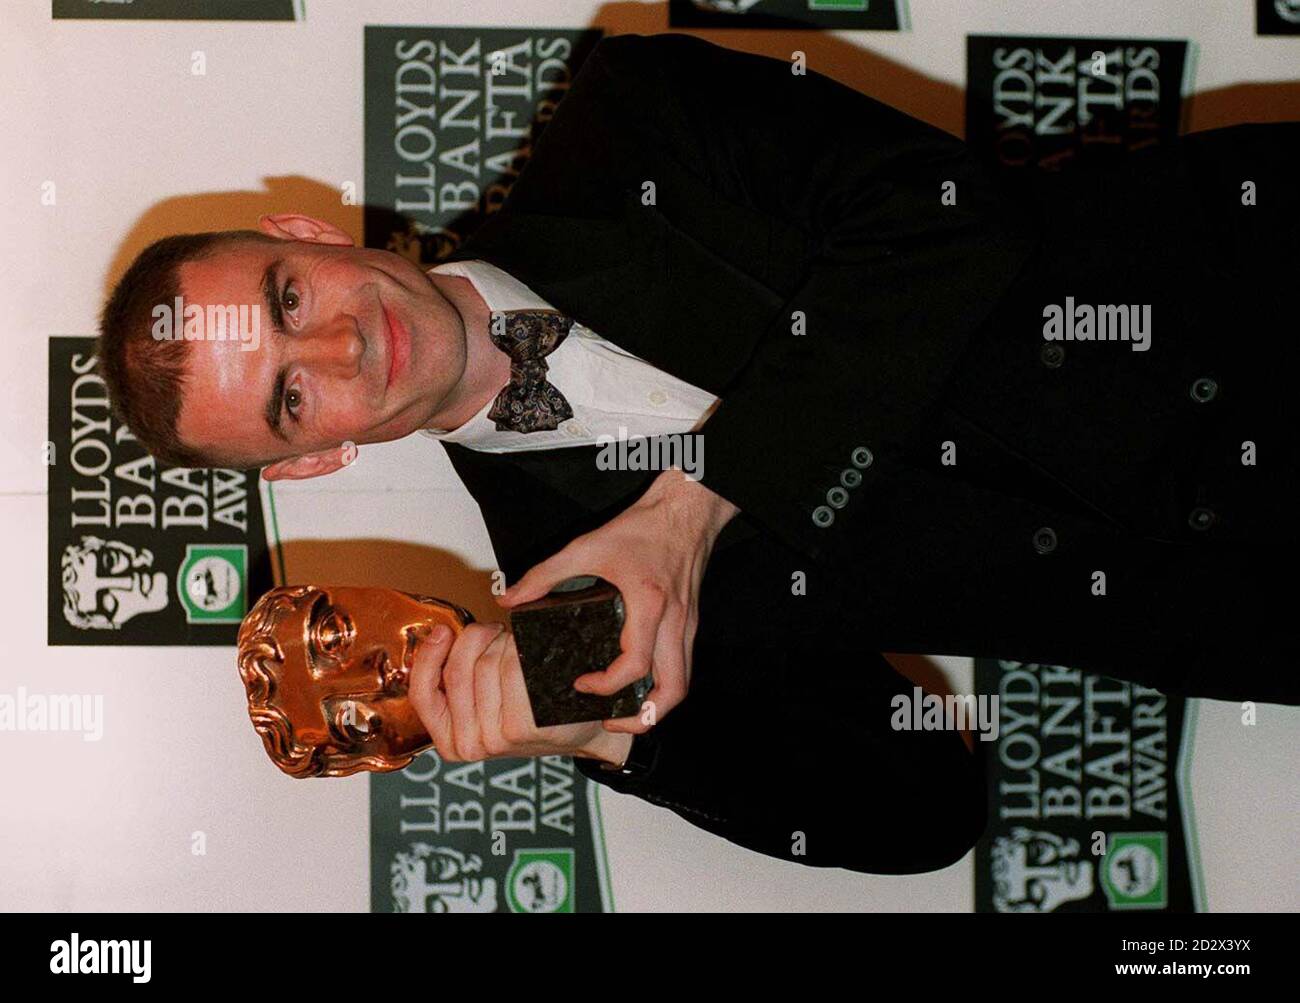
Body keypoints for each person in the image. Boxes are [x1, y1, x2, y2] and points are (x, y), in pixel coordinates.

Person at [95, 32, 1298, 874]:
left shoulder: (627, 121)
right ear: (308, 464)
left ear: (300, 233)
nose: (347, 342)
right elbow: (922, 809)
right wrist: (607, 729)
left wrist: (698, 502)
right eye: (293, 398)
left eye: (289, 297)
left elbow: (942, 216)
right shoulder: (572, 611)